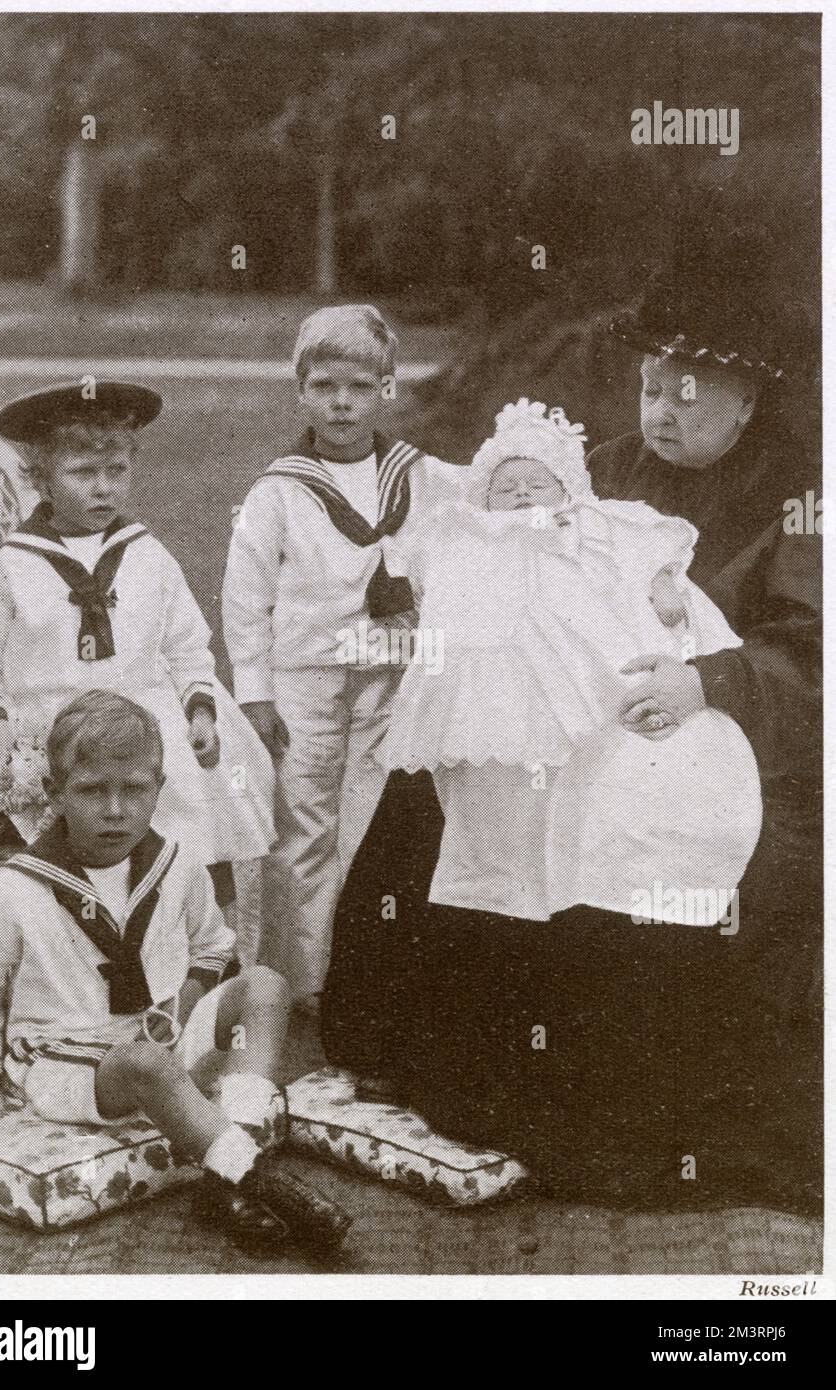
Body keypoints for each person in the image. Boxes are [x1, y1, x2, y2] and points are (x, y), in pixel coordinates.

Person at [322, 241, 822, 1215]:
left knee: (671, 857)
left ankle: (593, 1104)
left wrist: (704, 679)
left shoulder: (798, 497)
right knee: (441, 785)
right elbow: (496, 546)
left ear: (747, 402)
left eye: (689, 395)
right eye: (651, 388)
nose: (663, 413)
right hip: (570, 718)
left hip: (729, 739)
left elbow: (810, 657)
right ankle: (416, 1050)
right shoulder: (600, 469)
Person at [379, 398, 759, 924]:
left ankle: (597, 876)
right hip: (491, 679)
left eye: (536, 485)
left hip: (578, 666)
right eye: (505, 488)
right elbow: (425, 571)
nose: (520, 496)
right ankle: (498, 887)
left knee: (588, 777)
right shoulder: (467, 531)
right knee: (492, 789)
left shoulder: (591, 525)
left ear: (566, 492)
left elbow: (647, 541)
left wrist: (663, 579)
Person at [0, 692, 295, 1245]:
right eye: (91, 791)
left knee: (265, 986)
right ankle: (254, 1175)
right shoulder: (18, 886)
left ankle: (233, 1157)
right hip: (68, 1063)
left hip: (159, 1037)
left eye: (134, 789)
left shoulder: (178, 863)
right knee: (147, 1065)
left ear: (159, 790)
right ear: (54, 795)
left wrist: (182, 1007)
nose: (115, 810)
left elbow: (212, 948)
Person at [0, 381, 275, 960]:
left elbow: (185, 641)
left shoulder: (146, 553)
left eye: (117, 471)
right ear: (41, 479)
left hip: (145, 709)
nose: (104, 488)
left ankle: (204, 945)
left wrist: (198, 706)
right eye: (83, 473)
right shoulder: (13, 566)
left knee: (197, 797)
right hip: (52, 717)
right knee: (79, 820)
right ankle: (77, 952)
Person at [223, 304, 463, 1008]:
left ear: (386, 389)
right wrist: (255, 692)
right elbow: (245, 599)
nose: (342, 402)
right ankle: (301, 992)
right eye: (324, 386)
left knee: (373, 825)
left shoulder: (417, 476)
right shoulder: (279, 491)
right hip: (305, 680)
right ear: (301, 391)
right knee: (302, 832)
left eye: (361, 387)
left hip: (391, 675)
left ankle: (361, 985)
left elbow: (497, 493)